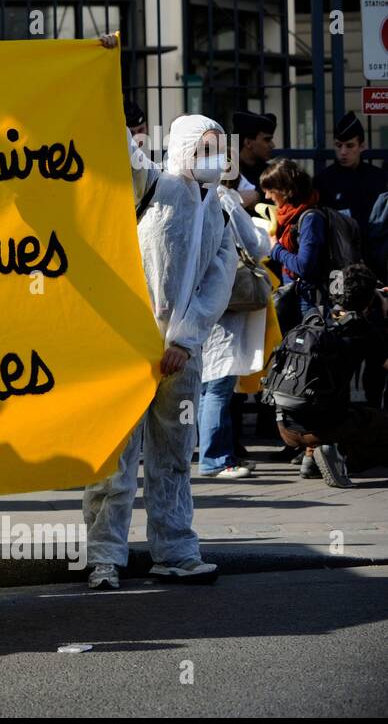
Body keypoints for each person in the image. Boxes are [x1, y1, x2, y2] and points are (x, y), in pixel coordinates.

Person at [82, 113, 235, 589]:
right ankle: (104, 557)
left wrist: (184, 342)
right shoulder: (153, 185)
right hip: (129, 349)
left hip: (180, 360)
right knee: (116, 457)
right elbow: (117, 146)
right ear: (185, 147)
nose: (212, 155)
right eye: (204, 146)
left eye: (217, 145)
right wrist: (100, 78)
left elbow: (218, 281)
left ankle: (176, 551)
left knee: (172, 458)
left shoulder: (219, 210)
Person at [270, 263, 388, 486]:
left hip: (284, 425)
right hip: (323, 429)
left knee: (323, 398)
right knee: (377, 423)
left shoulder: (314, 316)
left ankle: (310, 460)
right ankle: (337, 456)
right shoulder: (363, 329)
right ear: (369, 299)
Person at [197, 160, 271, 478]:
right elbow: (255, 244)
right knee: (219, 384)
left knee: (207, 384)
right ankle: (216, 459)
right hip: (225, 300)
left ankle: (217, 454)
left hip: (201, 300)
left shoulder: (191, 197)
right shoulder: (224, 199)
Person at [262, 159, 329, 324]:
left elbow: (303, 266)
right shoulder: (287, 216)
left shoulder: (310, 219)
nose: (267, 196)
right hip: (292, 294)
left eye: (270, 190)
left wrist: (275, 249)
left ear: (285, 190)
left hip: (307, 301)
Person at [314, 112, 386, 242]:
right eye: (338, 145)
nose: (343, 152)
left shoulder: (379, 179)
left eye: (349, 145)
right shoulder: (322, 181)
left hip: (373, 255)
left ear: (362, 146)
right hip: (338, 255)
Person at [231, 110, 274, 211]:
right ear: (248, 143)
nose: (272, 145)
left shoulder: (271, 173)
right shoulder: (227, 172)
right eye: (267, 140)